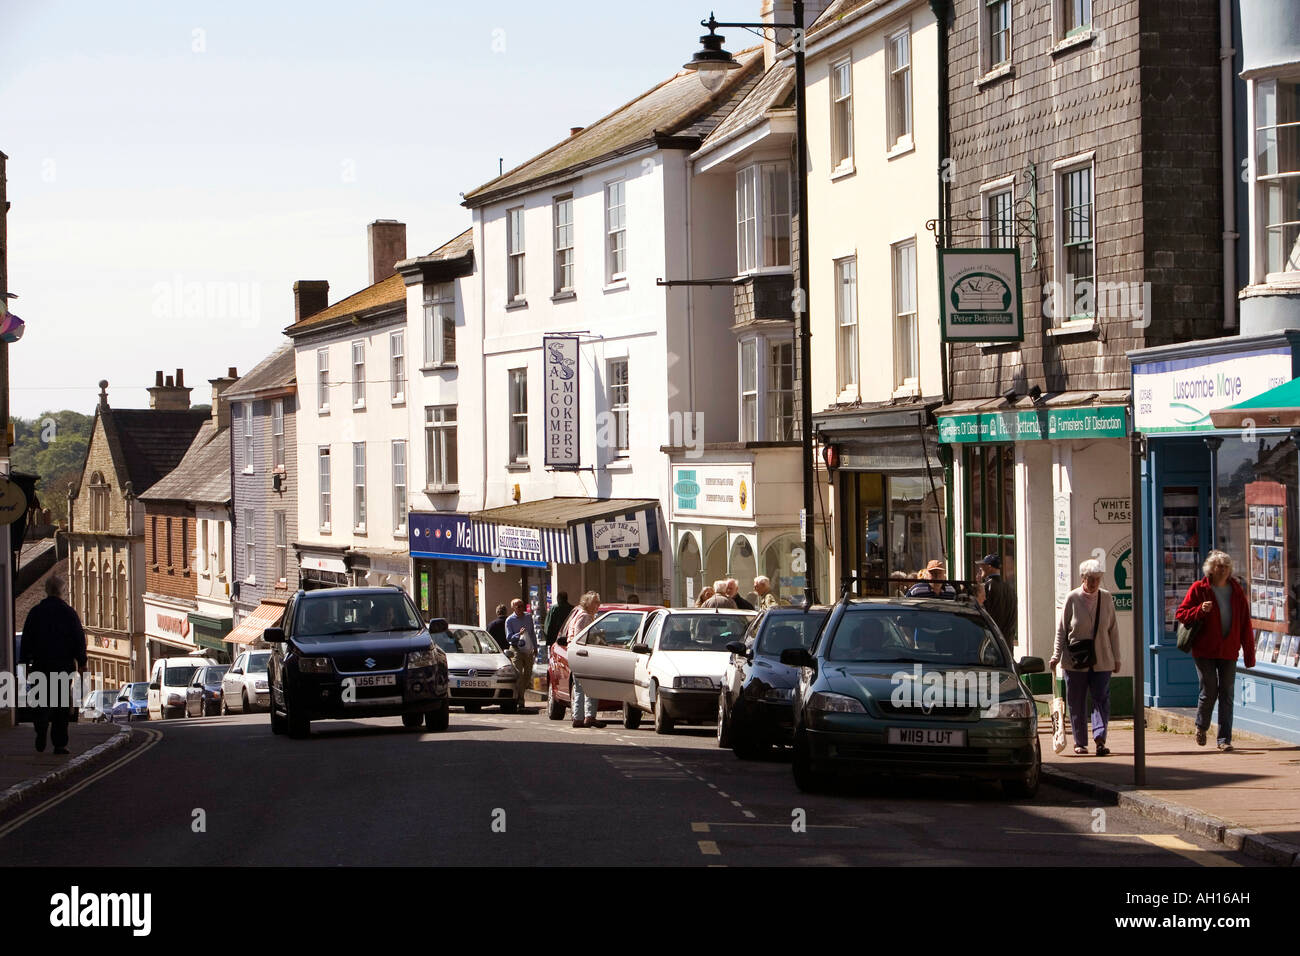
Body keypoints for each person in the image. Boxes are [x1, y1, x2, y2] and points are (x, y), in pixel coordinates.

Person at [1175, 550, 1255, 751]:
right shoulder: (1199, 589)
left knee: (1227, 694)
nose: (1223, 569)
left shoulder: (1236, 591)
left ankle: (1224, 739)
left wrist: (1249, 654)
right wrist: (1199, 610)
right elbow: (1181, 614)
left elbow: (1245, 623)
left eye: (1227, 566)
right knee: (1209, 690)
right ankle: (1201, 727)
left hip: (1228, 650)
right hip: (1205, 650)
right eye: (1219, 566)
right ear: (1211, 568)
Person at [1050, 559, 1122, 756]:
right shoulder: (1072, 598)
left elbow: (1113, 630)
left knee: (1101, 699)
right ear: (1083, 578)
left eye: (1097, 579)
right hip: (1075, 659)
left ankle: (1100, 739)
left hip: (1102, 659)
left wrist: (1117, 658)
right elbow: (1062, 630)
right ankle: (1080, 742)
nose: (1094, 583)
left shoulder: (1106, 598)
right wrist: (1056, 655)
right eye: (1090, 579)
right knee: (1076, 701)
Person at [19, 576, 87, 755]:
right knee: (61, 707)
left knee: (41, 702)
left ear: (46, 591)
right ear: (61, 591)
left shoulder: (35, 612)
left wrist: (24, 663)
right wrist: (82, 663)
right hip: (63, 666)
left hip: (41, 665)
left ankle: (41, 729)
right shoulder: (69, 613)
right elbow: (78, 639)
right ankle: (59, 744)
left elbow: (26, 640)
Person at [565, 592, 606, 728]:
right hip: (584, 655)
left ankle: (579, 717)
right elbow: (581, 636)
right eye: (595, 602)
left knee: (580, 687)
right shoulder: (585, 617)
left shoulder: (578, 614)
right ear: (588, 603)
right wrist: (599, 636)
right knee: (590, 686)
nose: (598, 605)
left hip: (576, 654)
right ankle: (589, 717)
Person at [504, 599, 537, 706]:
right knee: (519, 674)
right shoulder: (509, 620)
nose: (520, 608)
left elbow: (532, 633)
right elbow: (509, 637)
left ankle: (520, 693)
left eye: (521, 606)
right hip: (516, 649)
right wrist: (519, 634)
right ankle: (520, 700)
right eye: (517, 606)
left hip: (528, 648)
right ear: (513, 608)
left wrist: (535, 647)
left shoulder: (528, 617)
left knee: (528, 674)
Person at [979, 554, 1017, 644]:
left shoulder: (987, 586)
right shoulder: (1009, 588)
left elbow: (985, 614)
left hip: (993, 641)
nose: (980, 568)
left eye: (982, 566)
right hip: (1007, 641)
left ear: (989, 567)